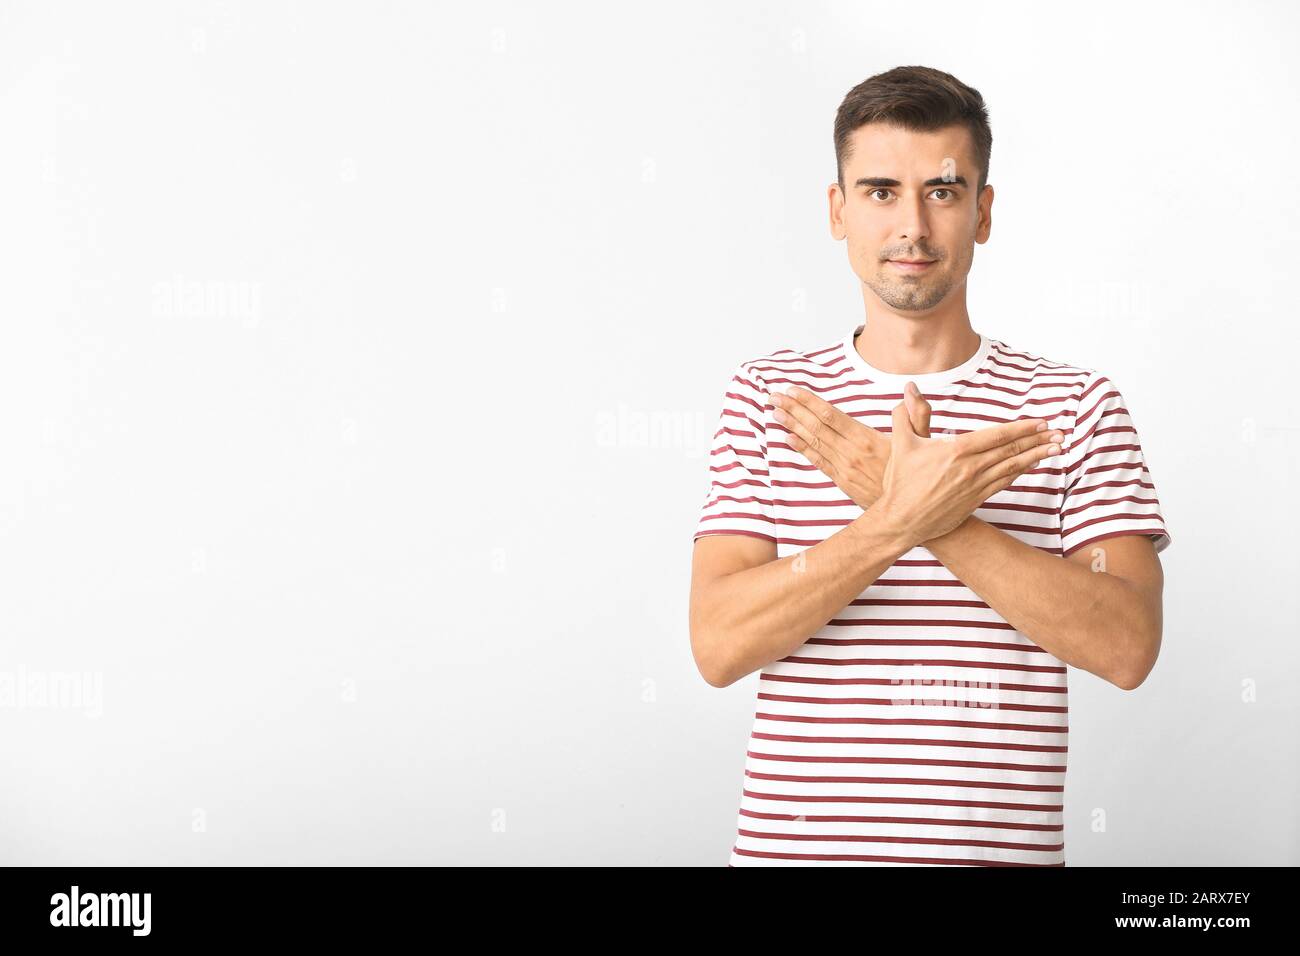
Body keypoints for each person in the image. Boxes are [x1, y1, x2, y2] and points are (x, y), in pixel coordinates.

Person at [688, 65, 1172, 867]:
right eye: (880, 191)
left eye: (942, 192)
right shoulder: (774, 399)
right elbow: (718, 646)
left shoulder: (1074, 406)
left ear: (982, 212)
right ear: (837, 211)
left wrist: (930, 514)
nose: (911, 224)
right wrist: (893, 521)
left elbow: (1126, 648)